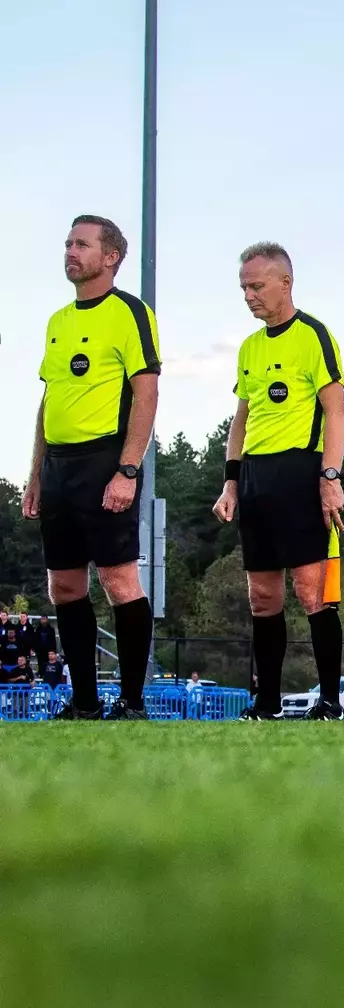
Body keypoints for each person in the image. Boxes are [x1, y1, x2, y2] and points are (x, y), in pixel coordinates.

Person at [22, 214, 158, 720]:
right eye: (67, 244)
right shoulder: (58, 321)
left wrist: (127, 469)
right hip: (58, 467)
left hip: (106, 462)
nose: (70, 251)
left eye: (81, 244)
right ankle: (83, 703)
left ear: (111, 256)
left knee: (119, 581)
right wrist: (35, 473)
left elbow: (147, 393)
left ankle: (132, 701)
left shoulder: (130, 313)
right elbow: (48, 401)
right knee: (65, 587)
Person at [212, 242, 344, 722]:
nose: (249, 296)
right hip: (255, 479)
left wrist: (329, 476)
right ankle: (265, 704)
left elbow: (336, 411)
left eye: (256, 286)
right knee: (262, 597)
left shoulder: (314, 335)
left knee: (313, 593)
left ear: (285, 283)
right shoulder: (248, 347)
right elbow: (240, 421)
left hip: (301, 474)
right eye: (243, 288)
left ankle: (330, 702)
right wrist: (230, 485)